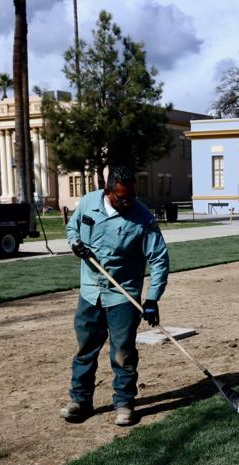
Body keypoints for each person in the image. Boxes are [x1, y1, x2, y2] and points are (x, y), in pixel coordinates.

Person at [61, 166, 169, 426]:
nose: (129, 201)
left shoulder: (142, 218)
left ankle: (124, 403)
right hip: (90, 293)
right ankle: (80, 401)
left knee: (123, 354)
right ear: (107, 192)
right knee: (85, 350)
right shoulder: (88, 202)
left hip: (123, 296)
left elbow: (159, 259)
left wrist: (152, 299)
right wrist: (75, 244)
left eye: (132, 196)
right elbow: (72, 227)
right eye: (122, 197)